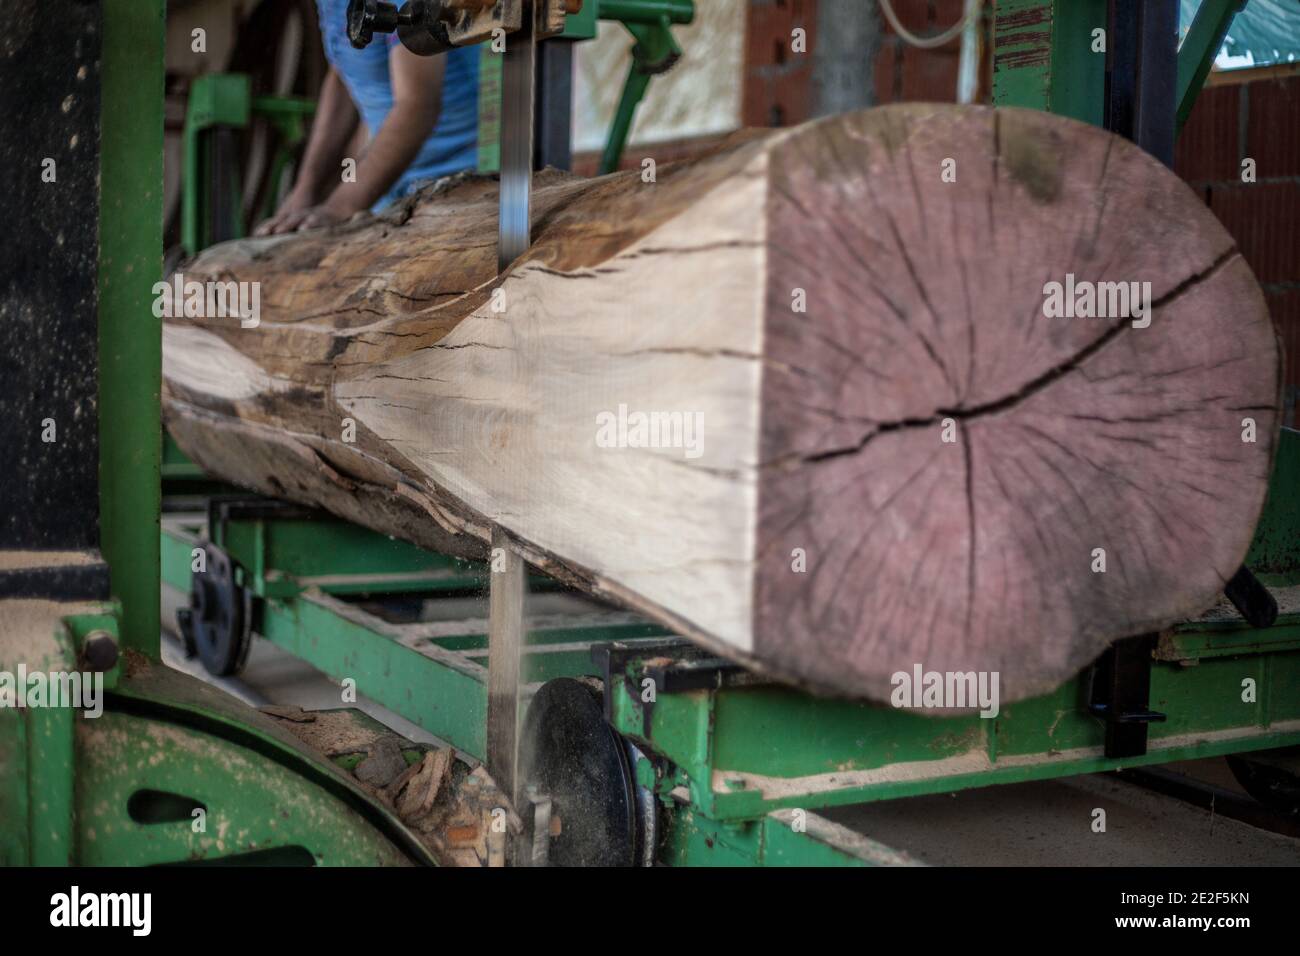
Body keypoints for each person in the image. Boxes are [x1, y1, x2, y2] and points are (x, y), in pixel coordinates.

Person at [256, 0, 479, 235]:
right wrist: (305, 189)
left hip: (464, 179)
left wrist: (340, 207)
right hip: (395, 188)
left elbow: (417, 106)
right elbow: (345, 75)